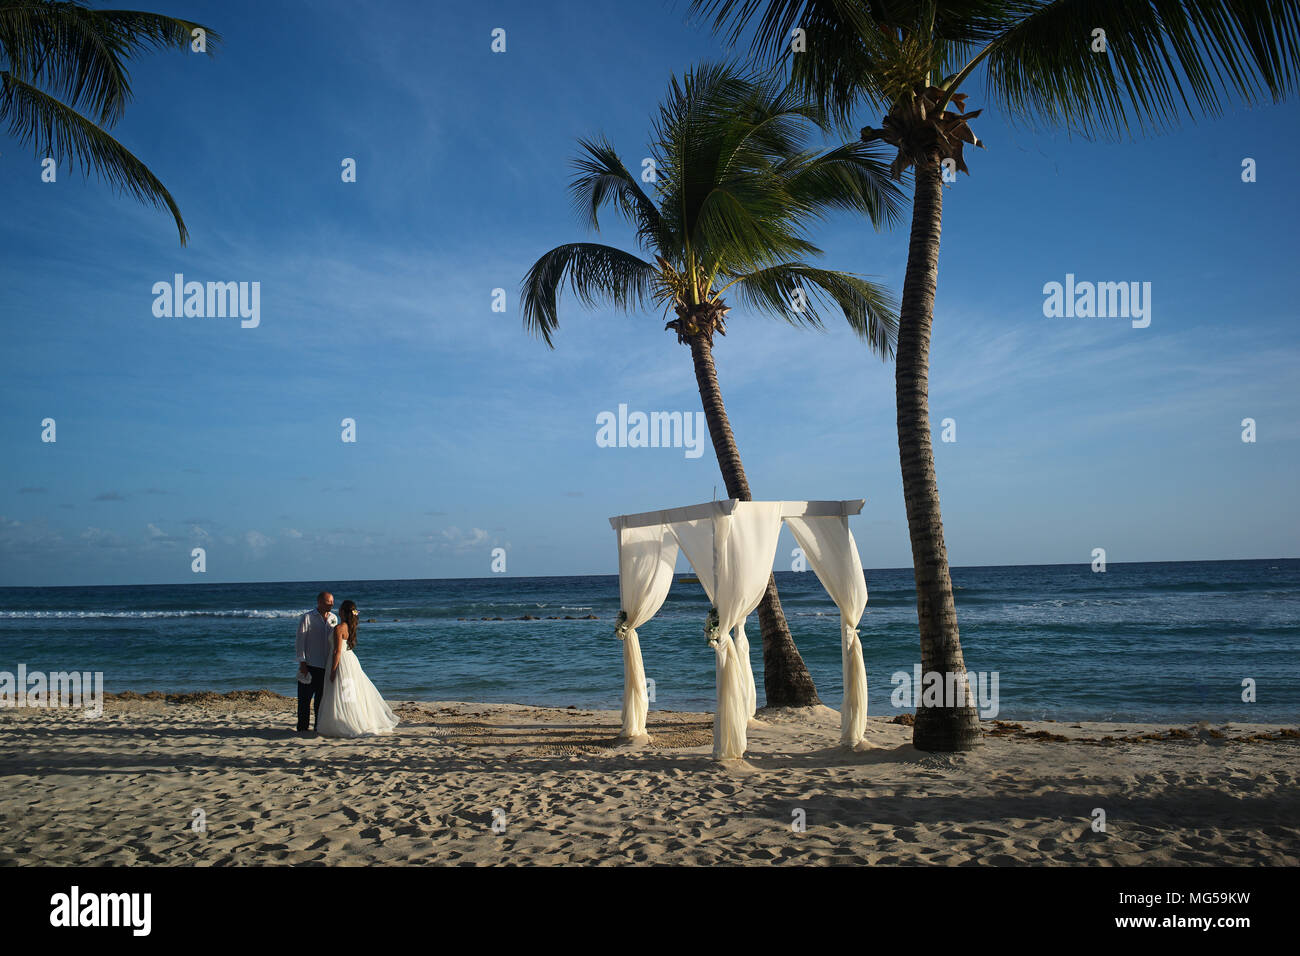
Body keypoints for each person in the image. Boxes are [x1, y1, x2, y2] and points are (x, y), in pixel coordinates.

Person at [316, 600, 399, 738]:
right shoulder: (350, 627)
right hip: (351, 661)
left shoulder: (338, 628)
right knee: (349, 692)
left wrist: (332, 670)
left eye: (340, 609)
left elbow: (337, 651)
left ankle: (346, 722)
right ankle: (350, 718)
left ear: (343, 612)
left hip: (341, 661)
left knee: (341, 691)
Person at [295, 591, 337, 733]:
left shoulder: (333, 618)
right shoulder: (307, 617)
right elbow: (300, 641)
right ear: (319, 602)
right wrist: (302, 663)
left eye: (332, 602)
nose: (331, 604)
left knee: (321, 700)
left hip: (326, 665)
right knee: (304, 700)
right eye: (328, 602)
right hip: (310, 664)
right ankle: (302, 727)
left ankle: (318, 727)